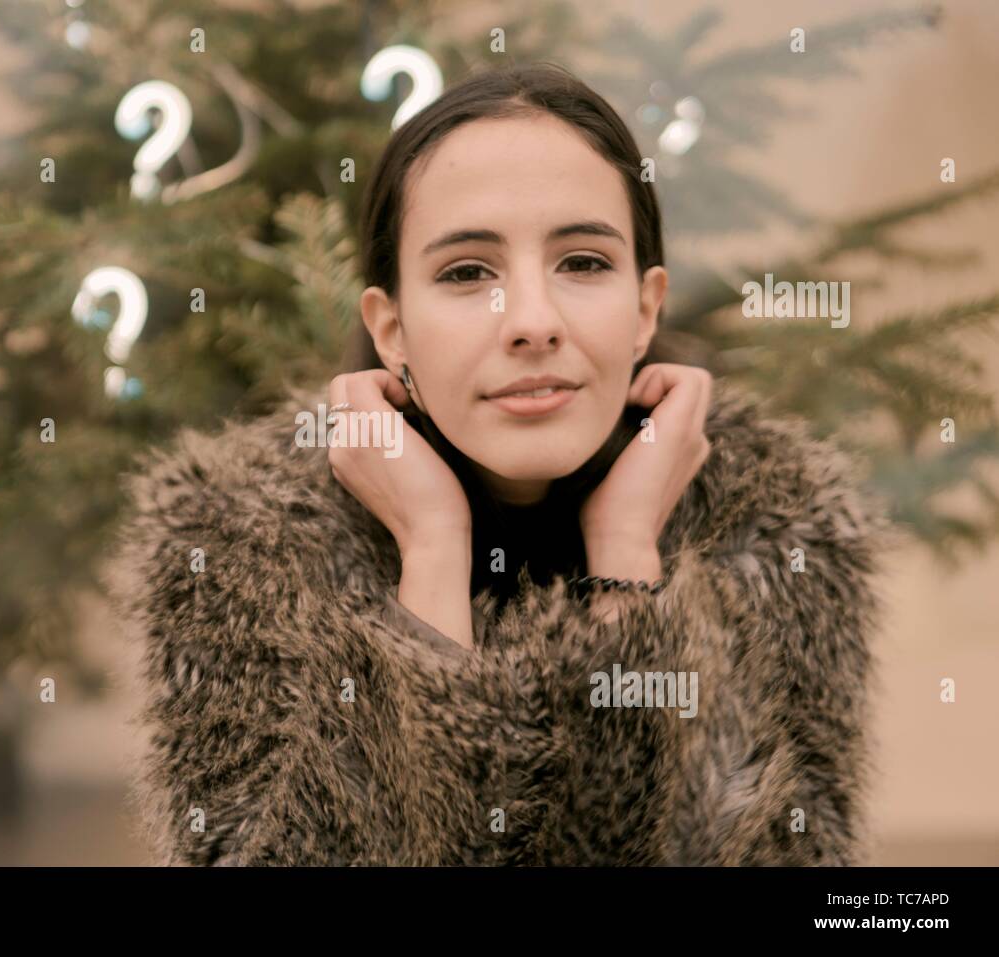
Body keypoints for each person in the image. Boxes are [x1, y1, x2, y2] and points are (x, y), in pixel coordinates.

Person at [107, 62, 891, 866]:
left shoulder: (773, 526)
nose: (531, 321)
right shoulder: (241, 538)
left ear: (645, 308)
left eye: (583, 262)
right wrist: (434, 553)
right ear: (392, 329)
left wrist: (627, 562)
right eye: (466, 272)